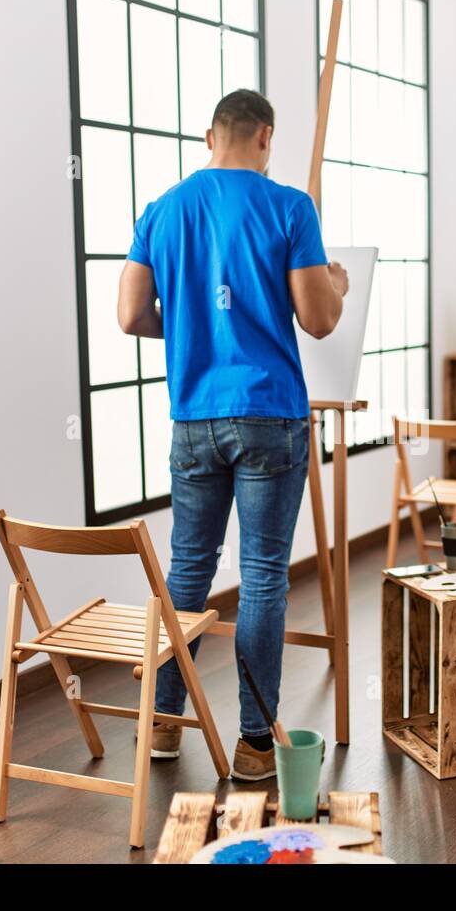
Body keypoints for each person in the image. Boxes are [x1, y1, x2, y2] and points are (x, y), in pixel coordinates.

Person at [116, 89, 349, 781]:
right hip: (270, 413)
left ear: (209, 136)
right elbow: (319, 321)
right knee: (263, 576)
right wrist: (335, 284)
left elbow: (130, 315)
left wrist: (194, 324)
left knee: (188, 569)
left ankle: (163, 724)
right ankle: (254, 745)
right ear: (265, 137)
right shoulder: (289, 207)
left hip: (193, 416)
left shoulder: (162, 210)